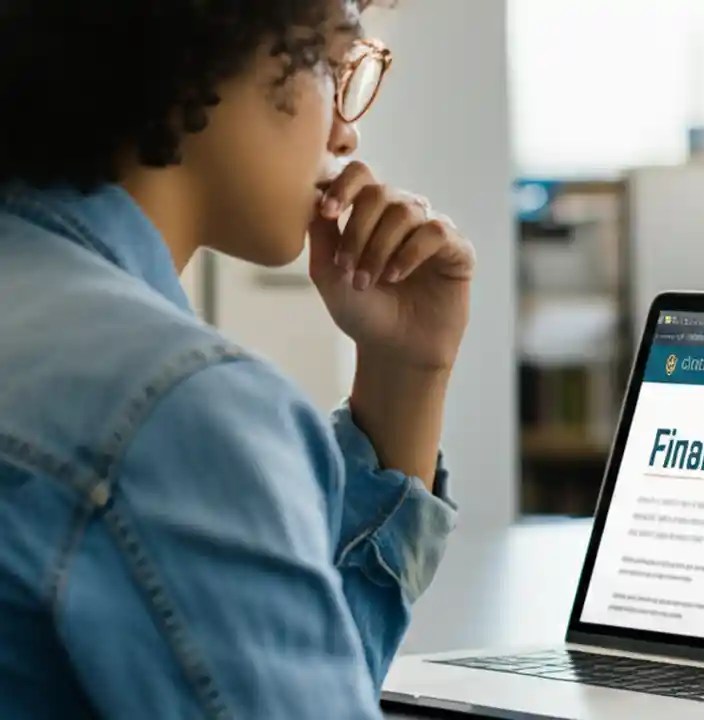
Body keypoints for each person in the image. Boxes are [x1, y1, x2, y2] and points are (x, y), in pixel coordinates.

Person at [0, 1, 475, 717]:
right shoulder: (172, 410)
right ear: (203, 48)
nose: (346, 130)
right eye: (332, 62)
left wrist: (407, 374)